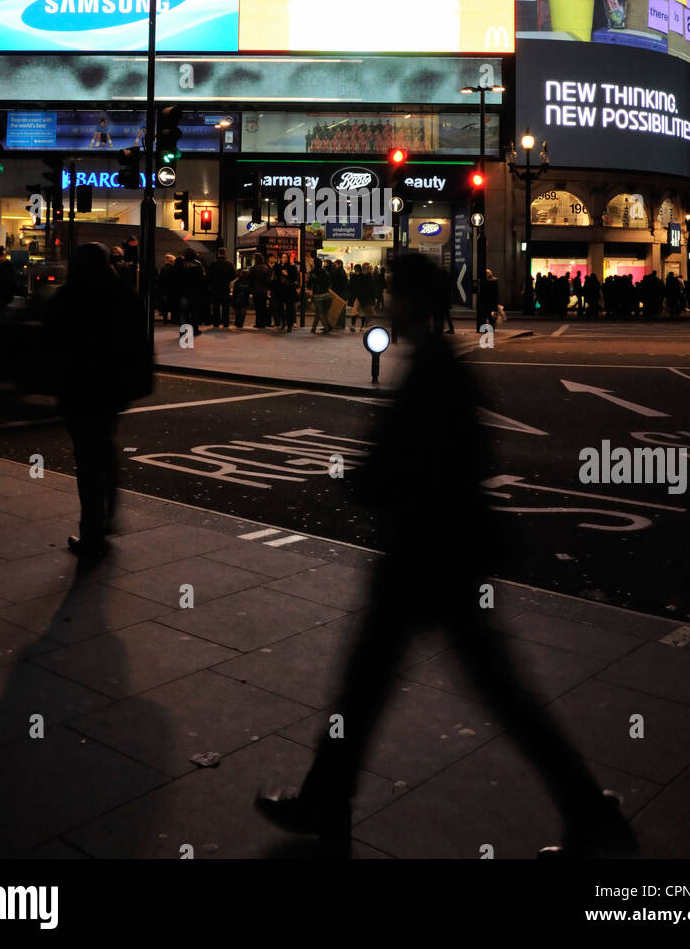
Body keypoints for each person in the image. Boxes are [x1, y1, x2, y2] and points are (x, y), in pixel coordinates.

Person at [255, 254, 638, 858]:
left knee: (388, 685)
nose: (386, 303)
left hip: (424, 557)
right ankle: (589, 812)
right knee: (417, 686)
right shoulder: (443, 364)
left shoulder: (431, 370)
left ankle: (589, 811)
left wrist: (363, 480)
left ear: (409, 301)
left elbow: (405, 464)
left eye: (393, 293)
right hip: (445, 552)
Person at [43, 243, 153, 561]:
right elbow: (138, 342)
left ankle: (92, 531)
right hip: (111, 389)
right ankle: (107, 517)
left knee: (88, 460)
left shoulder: (68, 297)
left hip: (79, 390)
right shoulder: (121, 294)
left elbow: (51, 344)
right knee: (103, 449)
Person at [177, 249, 205, 333]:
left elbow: (175, 278)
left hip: (183, 291)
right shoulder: (198, 264)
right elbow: (201, 280)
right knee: (194, 312)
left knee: (183, 312)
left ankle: (183, 331)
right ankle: (194, 329)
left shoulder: (180, 264)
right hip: (195, 292)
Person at [208, 247, 235, 329]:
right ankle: (225, 323)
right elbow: (234, 275)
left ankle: (216, 323)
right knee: (225, 307)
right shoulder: (229, 264)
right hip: (225, 287)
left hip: (215, 288)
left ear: (218, 254)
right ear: (225, 254)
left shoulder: (213, 264)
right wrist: (227, 280)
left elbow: (208, 276)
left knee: (216, 306)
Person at [309, 259, 333, 333]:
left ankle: (326, 328)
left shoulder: (313, 272)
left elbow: (310, 284)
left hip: (317, 295)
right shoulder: (325, 271)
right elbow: (329, 281)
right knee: (319, 312)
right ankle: (313, 328)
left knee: (320, 312)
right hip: (326, 294)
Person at [277, 253, 299, 332]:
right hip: (280, 290)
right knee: (279, 307)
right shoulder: (278, 267)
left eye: (285, 257)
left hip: (289, 290)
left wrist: (287, 274)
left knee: (289, 308)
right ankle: (284, 321)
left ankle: (289, 325)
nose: (284, 259)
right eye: (283, 257)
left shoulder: (292, 267)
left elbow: (295, 278)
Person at [249, 252, 271, 327]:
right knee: (263, 306)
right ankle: (263, 322)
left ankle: (258, 322)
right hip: (264, 290)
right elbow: (268, 280)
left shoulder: (253, 269)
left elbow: (250, 280)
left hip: (256, 290)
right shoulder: (266, 268)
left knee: (257, 307)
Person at [157, 253, 178, 324]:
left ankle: (165, 320)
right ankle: (173, 319)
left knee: (165, 305)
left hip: (164, 289)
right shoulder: (174, 269)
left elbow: (160, 279)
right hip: (172, 289)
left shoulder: (163, 269)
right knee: (172, 305)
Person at [329, 258, 349, 330]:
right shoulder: (341, 272)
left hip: (340, 294)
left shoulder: (340, 273)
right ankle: (340, 325)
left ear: (339, 264)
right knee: (341, 310)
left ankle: (340, 325)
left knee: (340, 310)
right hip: (342, 293)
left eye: (336, 264)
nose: (335, 266)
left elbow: (338, 284)